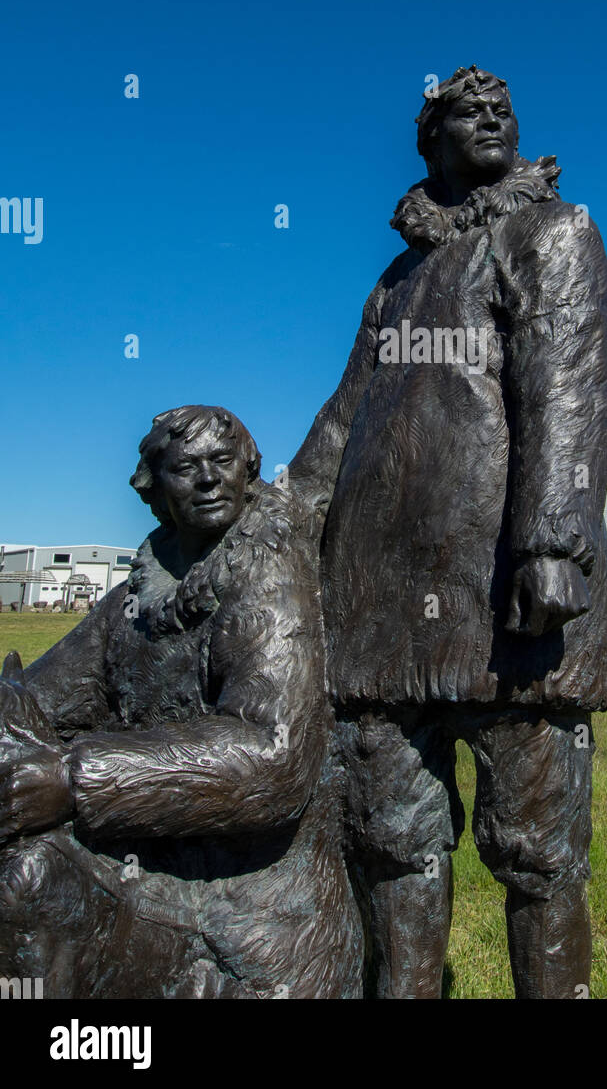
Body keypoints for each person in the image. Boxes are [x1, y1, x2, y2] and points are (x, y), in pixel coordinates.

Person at [287, 66, 607, 998]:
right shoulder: (394, 284)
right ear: (428, 140)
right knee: (392, 840)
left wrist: (554, 543)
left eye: (502, 110)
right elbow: (342, 423)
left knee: (537, 852)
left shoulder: (553, 232)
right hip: (380, 614)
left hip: (510, 600)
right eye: (466, 112)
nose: (490, 120)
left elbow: (570, 383)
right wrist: (274, 526)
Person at [0, 405, 363, 999]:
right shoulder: (130, 606)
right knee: (24, 873)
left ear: (248, 471)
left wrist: (73, 778)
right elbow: (38, 698)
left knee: (30, 879)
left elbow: (271, 761)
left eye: (222, 462)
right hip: (153, 882)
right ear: (155, 490)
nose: (208, 479)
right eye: (186, 467)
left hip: (258, 921)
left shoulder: (270, 581)